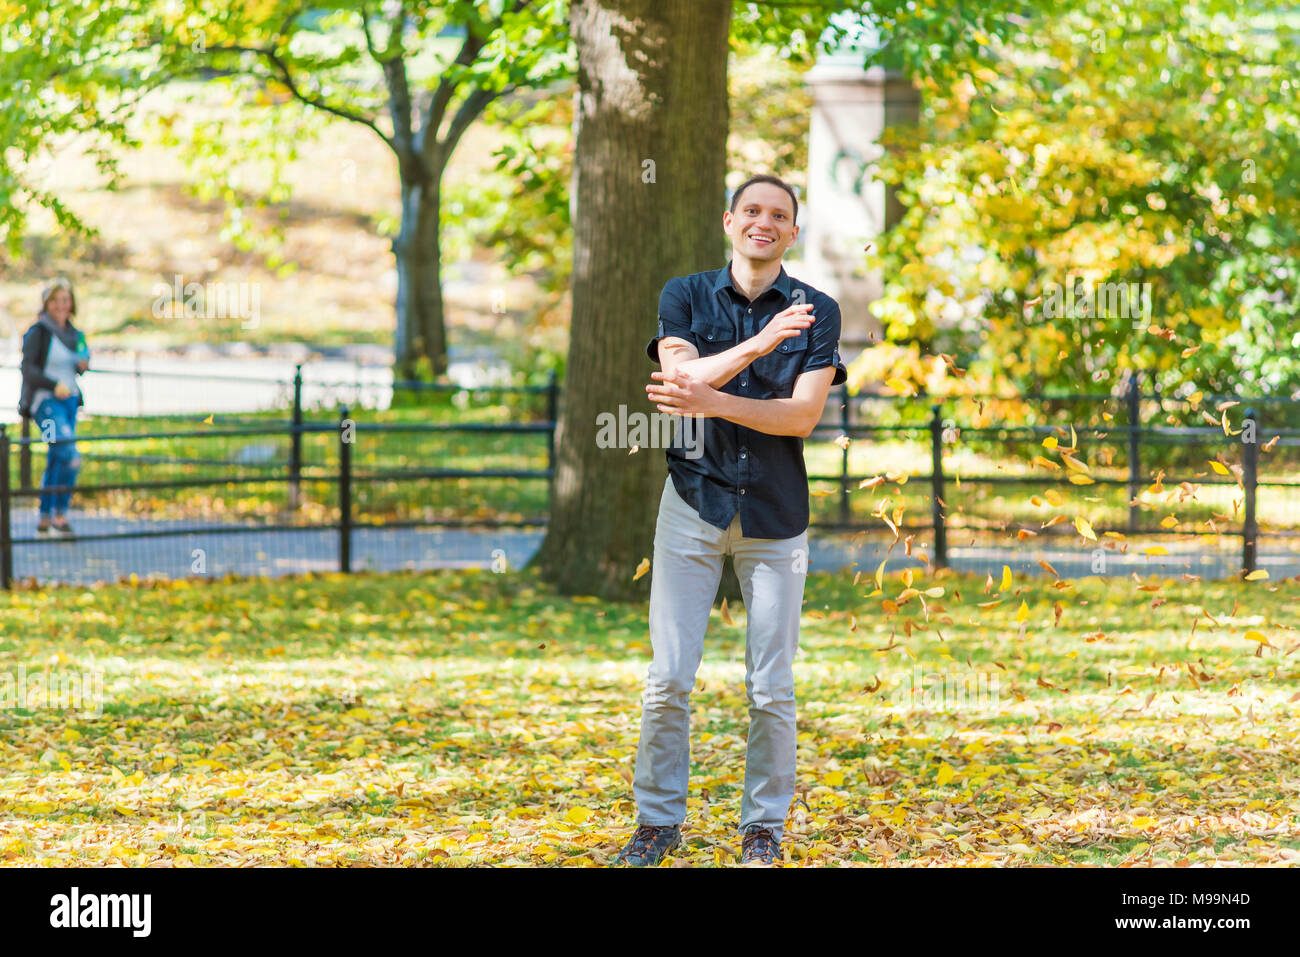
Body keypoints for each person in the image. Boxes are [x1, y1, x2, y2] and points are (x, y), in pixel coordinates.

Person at [614, 174, 847, 866]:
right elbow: (678, 379)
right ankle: (657, 822)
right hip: (691, 500)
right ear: (729, 220)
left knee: (772, 686)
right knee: (669, 678)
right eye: (752, 210)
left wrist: (710, 396)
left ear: (792, 232)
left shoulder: (819, 310)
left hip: (777, 514)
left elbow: (801, 418)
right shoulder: (683, 294)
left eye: (779, 215)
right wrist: (758, 346)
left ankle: (763, 830)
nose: (763, 222)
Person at [19, 278, 90, 538]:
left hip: (69, 402)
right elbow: (28, 370)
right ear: (47, 303)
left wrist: (82, 365)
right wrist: (53, 384)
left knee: (57, 456)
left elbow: (82, 361)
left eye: (65, 300)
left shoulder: (74, 334)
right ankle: (60, 515)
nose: (61, 305)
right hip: (46, 405)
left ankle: (45, 518)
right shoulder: (39, 332)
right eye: (56, 300)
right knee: (69, 455)